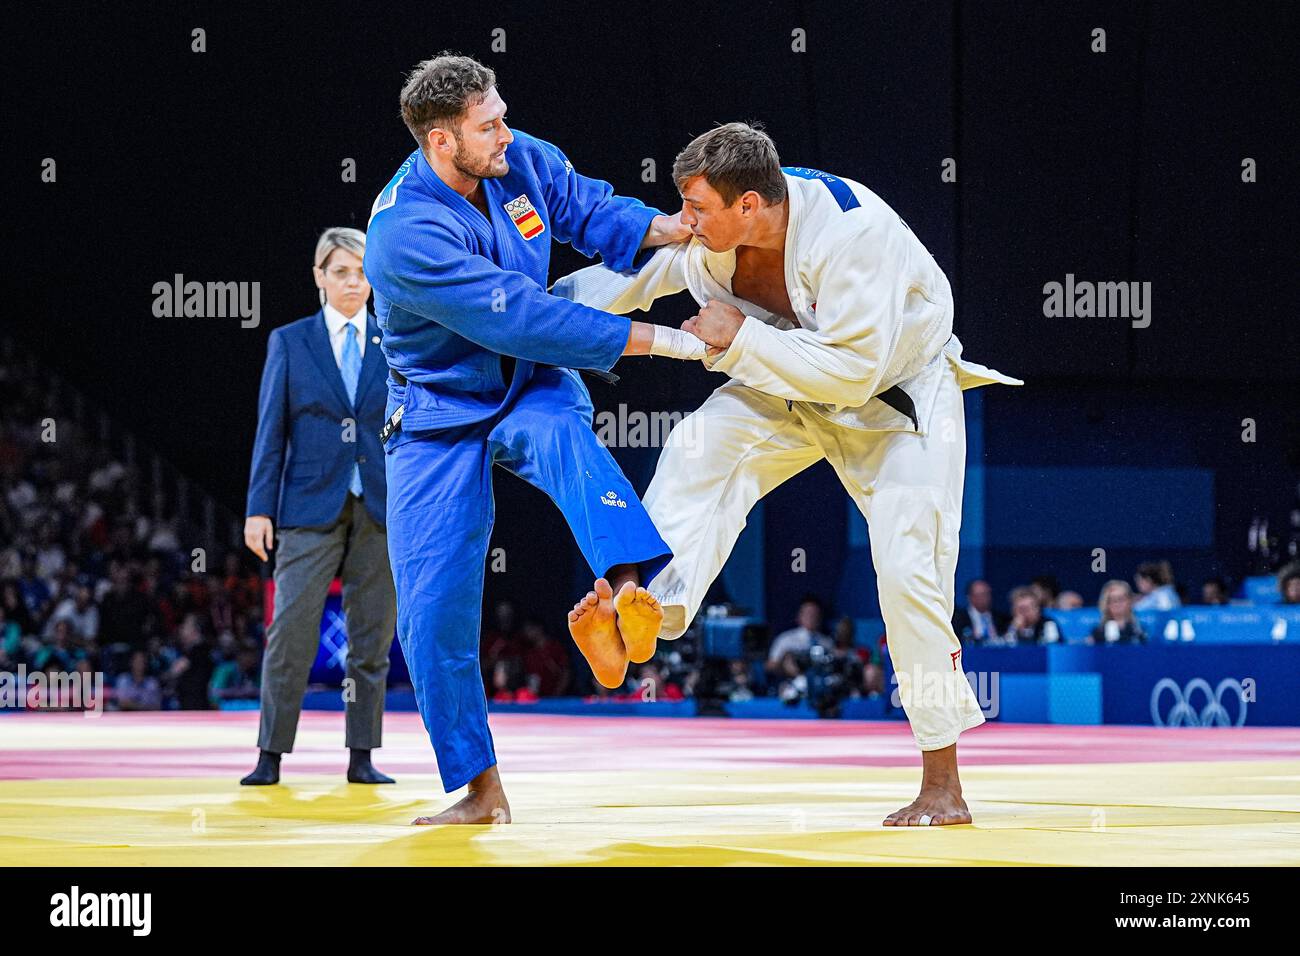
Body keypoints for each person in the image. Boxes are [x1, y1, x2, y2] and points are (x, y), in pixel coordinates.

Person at [554, 122, 1021, 826]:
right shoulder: (707, 239)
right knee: (694, 447)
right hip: (780, 378)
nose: (686, 220)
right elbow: (626, 280)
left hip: (895, 398)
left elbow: (851, 372)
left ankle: (942, 785)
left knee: (907, 568)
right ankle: (647, 617)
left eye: (699, 207)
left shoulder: (852, 234)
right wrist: (515, 306)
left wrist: (740, 338)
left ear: (749, 205)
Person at [363, 54, 697, 824]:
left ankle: (623, 595)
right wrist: (664, 343)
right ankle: (482, 792)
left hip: (526, 382)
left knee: (570, 448)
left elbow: (584, 206)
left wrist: (663, 226)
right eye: (488, 125)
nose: (506, 132)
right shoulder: (403, 236)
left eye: (502, 113)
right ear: (441, 143)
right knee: (430, 610)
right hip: (437, 414)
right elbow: (522, 314)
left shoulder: (515, 158)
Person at [241, 227, 398, 787]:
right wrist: (259, 509)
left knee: (372, 639)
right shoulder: (290, 341)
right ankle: (270, 755)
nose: (353, 282)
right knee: (291, 633)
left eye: (361, 272)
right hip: (307, 504)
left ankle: (362, 756)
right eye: (341, 272)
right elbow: (271, 431)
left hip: (380, 505)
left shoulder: (395, 342)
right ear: (319, 278)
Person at [1090, 580, 1147, 644]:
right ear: (1106, 604)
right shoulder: (1098, 631)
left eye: (1120, 599)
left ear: (1130, 601)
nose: (1117, 604)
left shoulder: (1140, 629)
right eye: (1112, 600)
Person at [952, 579, 1007, 644]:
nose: (983, 598)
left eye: (986, 594)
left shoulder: (1001, 618)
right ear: (970, 597)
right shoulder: (959, 618)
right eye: (979, 595)